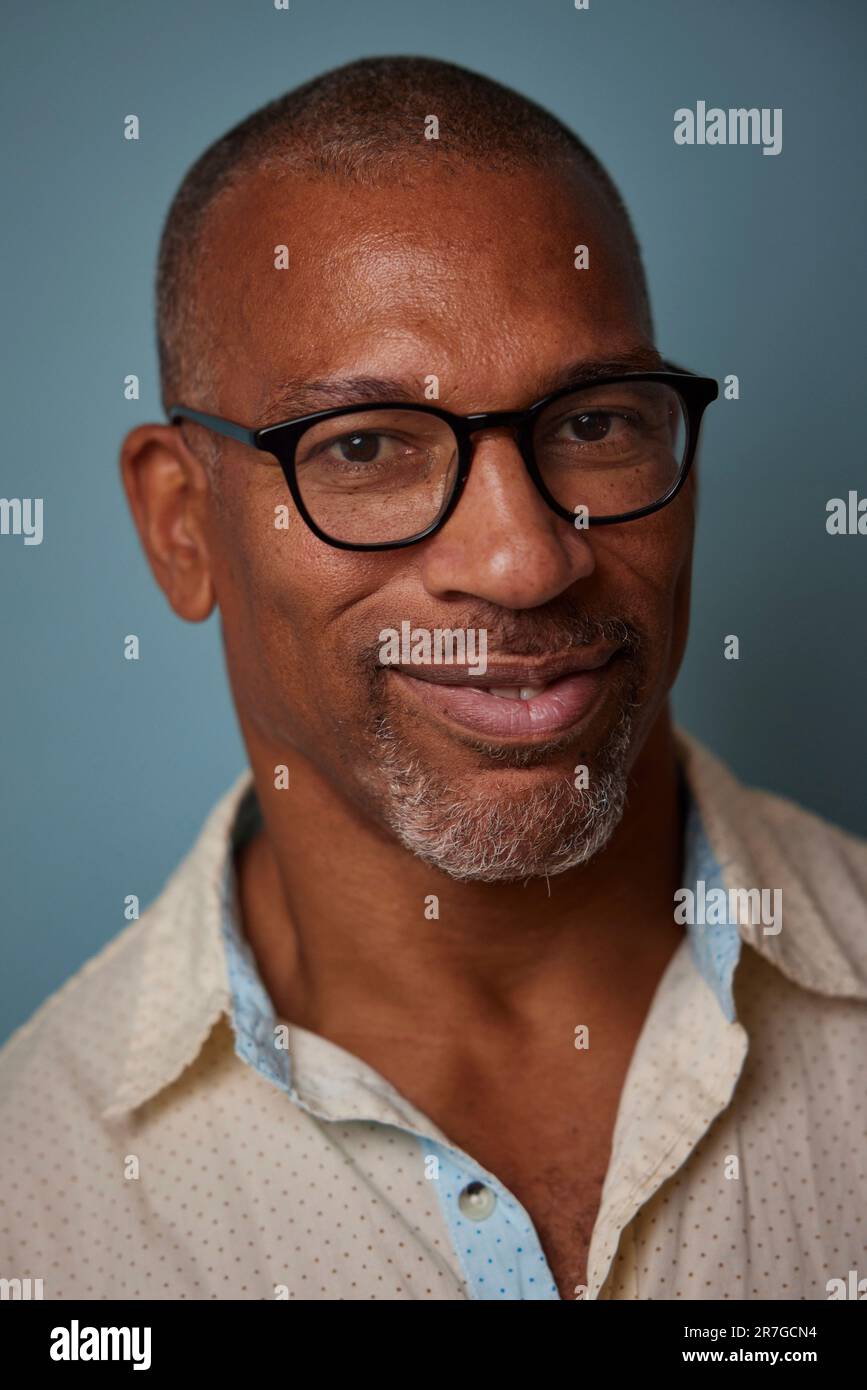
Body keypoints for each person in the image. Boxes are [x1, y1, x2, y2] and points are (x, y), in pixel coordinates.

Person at [2, 56, 865, 1303]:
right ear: (182, 524)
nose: (523, 562)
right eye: (363, 449)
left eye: (594, 423)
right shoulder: (41, 1209)